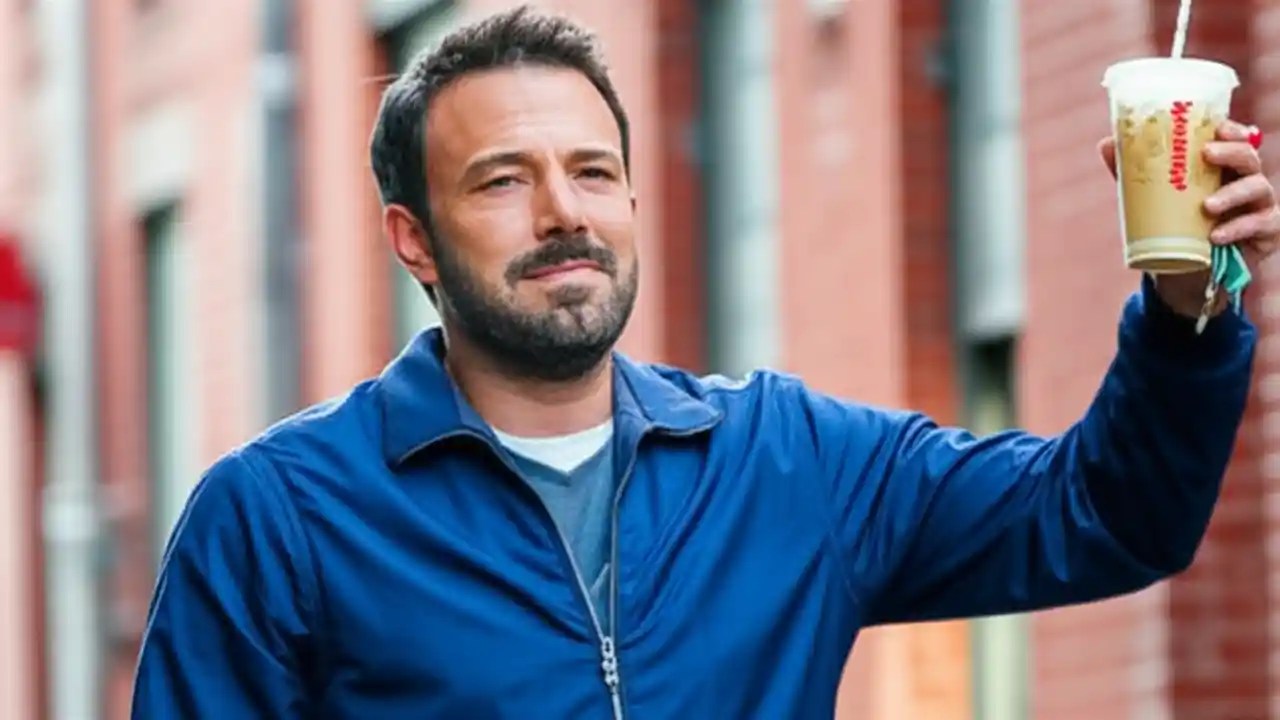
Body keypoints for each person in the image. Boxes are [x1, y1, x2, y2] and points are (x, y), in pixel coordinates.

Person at [131, 6, 1280, 719]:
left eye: (591, 171)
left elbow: (1108, 515)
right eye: (501, 181)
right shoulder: (279, 518)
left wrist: (1187, 298)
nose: (562, 212)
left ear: (631, 199)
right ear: (412, 238)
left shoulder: (788, 463)